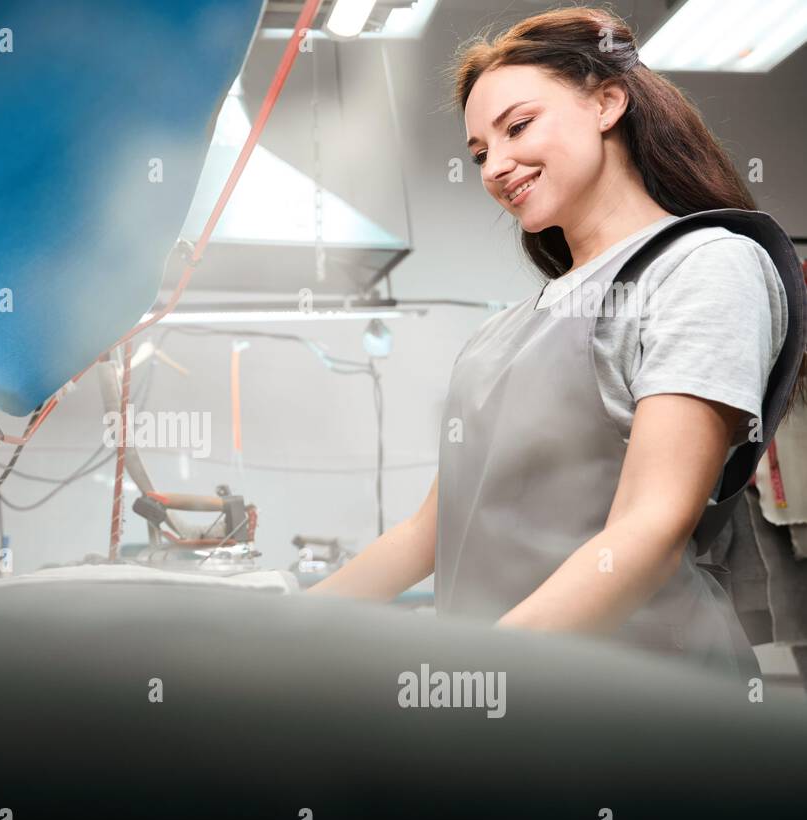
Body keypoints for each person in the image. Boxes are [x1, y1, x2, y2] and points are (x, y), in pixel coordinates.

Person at [309, 6, 806, 682]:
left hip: (640, 705)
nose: (497, 166)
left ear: (607, 102)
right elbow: (427, 533)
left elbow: (650, 529)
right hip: (517, 703)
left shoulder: (701, 266)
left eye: (518, 127)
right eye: (480, 153)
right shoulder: (504, 330)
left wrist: (478, 669)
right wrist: (278, 630)